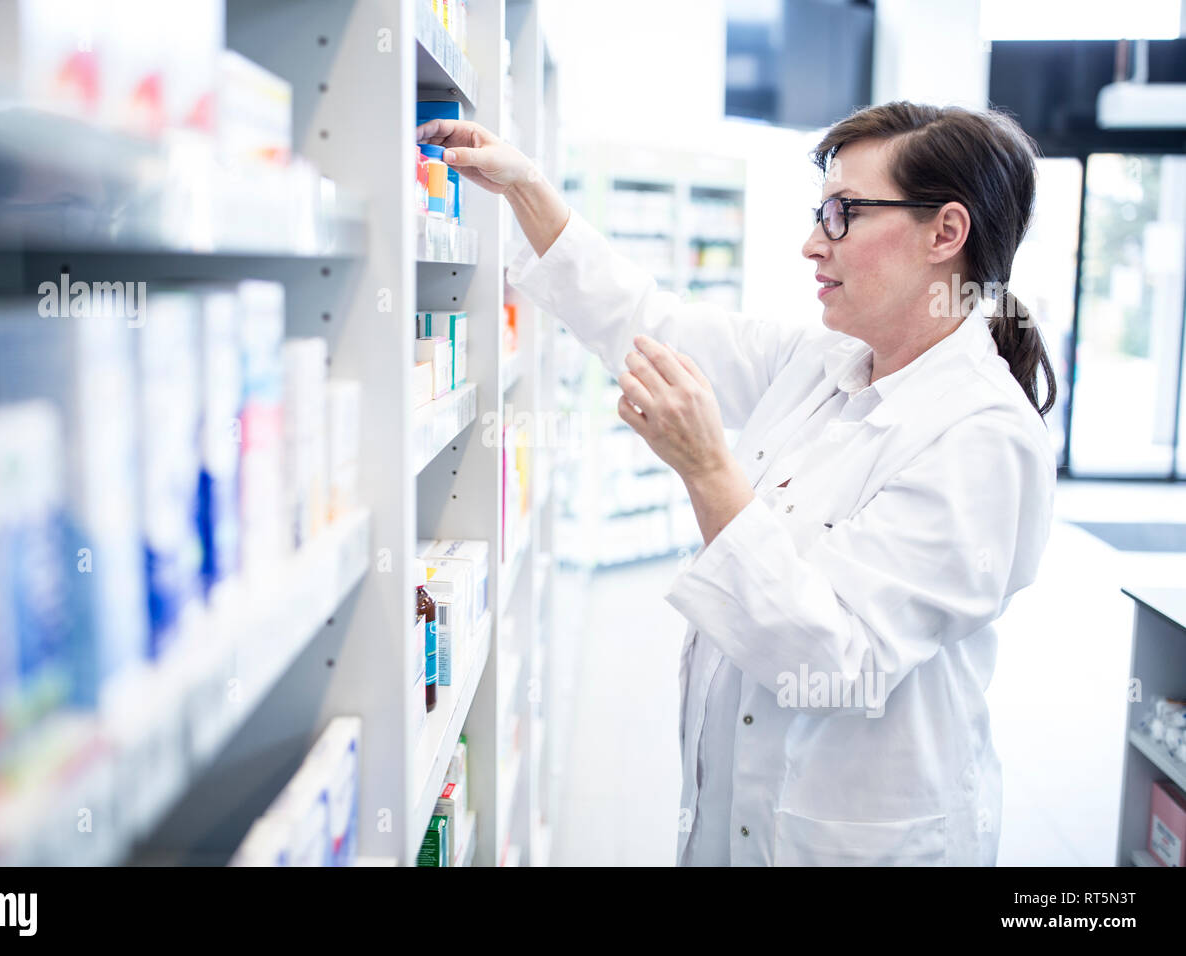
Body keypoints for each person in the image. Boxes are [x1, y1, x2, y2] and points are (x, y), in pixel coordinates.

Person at [417, 101, 1058, 866]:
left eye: (842, 213)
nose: (812, 243)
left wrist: (707, 469)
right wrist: (526, 186)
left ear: (945, 234)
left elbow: (834, 660)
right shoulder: (827, 362)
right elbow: (654, 324)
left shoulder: (984, 437)